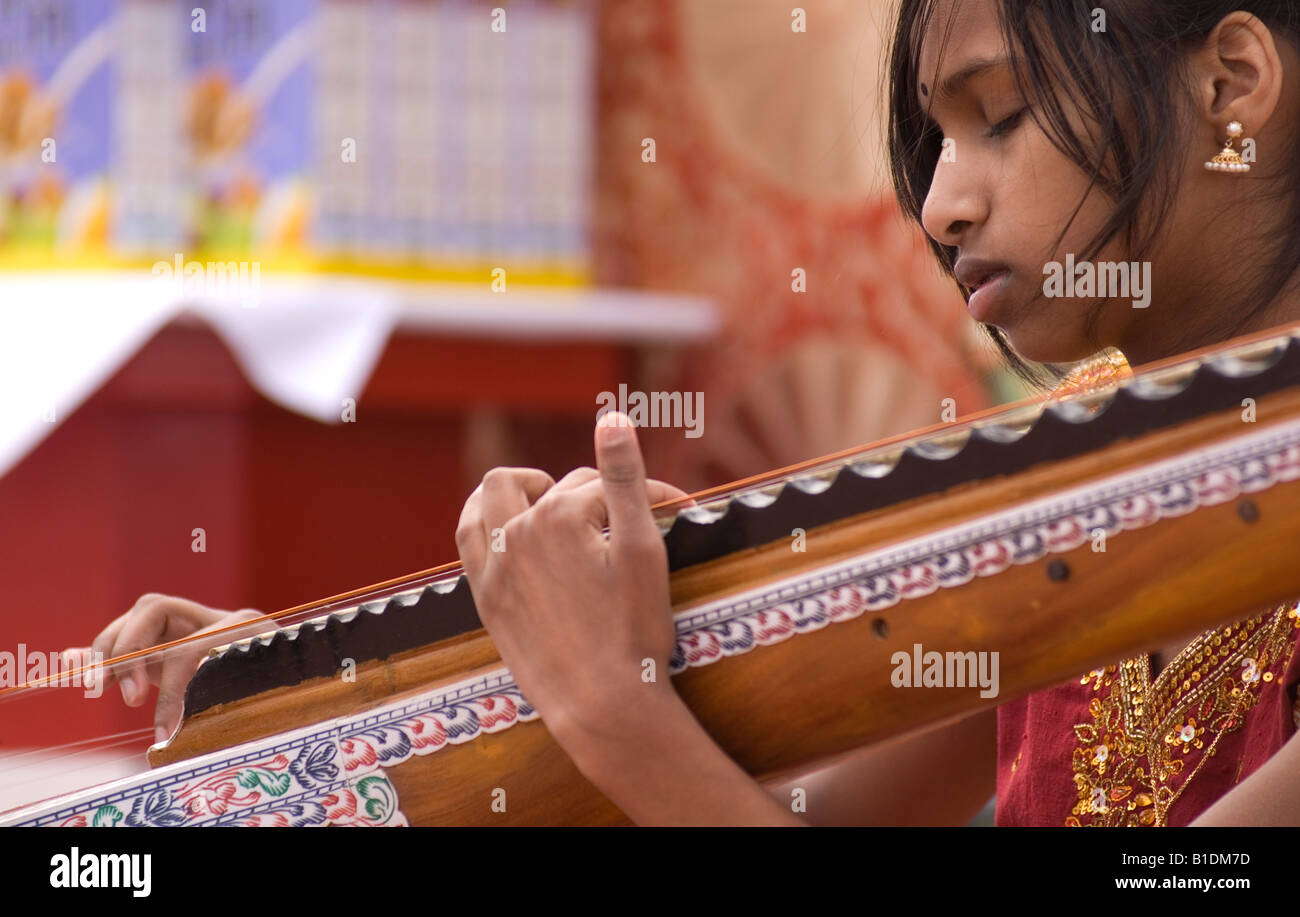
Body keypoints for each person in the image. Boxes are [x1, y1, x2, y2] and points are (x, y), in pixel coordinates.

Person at [90, 0, 1300, 825]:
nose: (940, 206)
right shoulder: (1068, 475)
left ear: (1230, 86)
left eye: (1000, 117)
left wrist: (621, 713)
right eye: (936, 140)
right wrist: (341, 688)